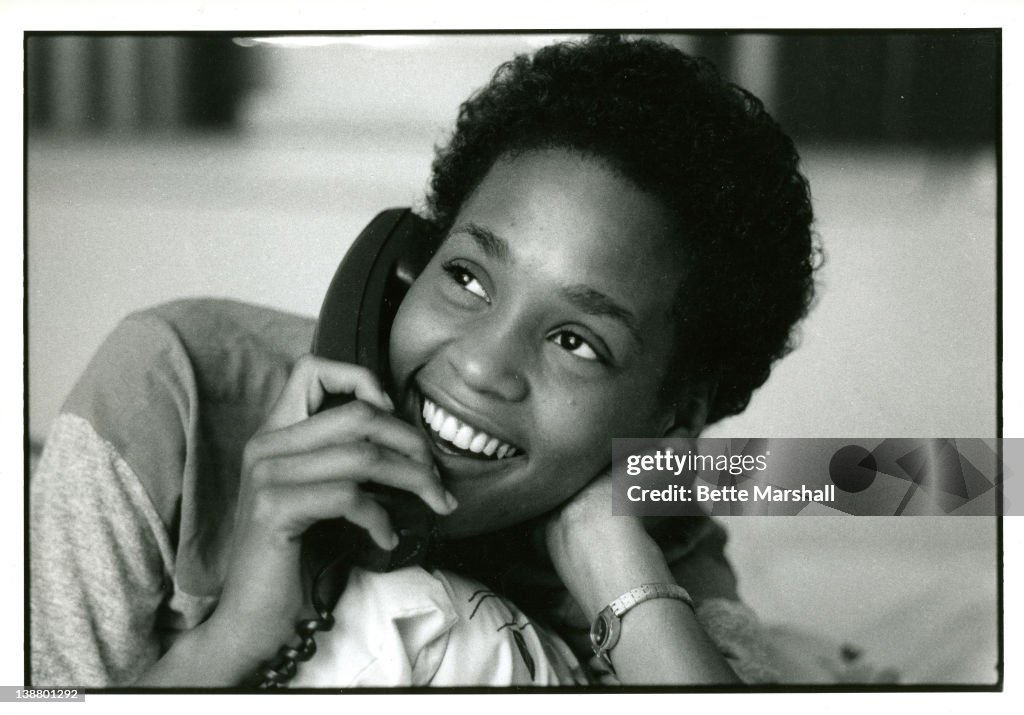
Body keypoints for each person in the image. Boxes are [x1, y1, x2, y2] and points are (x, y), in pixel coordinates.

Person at [29, 34, 816, 688]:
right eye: (468, 277)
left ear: (672, 416)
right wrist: (231, 637)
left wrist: (612, 563)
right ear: (405, 261)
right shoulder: (168, 391)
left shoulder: (656, 518)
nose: (479, 365)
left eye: (577, 340)